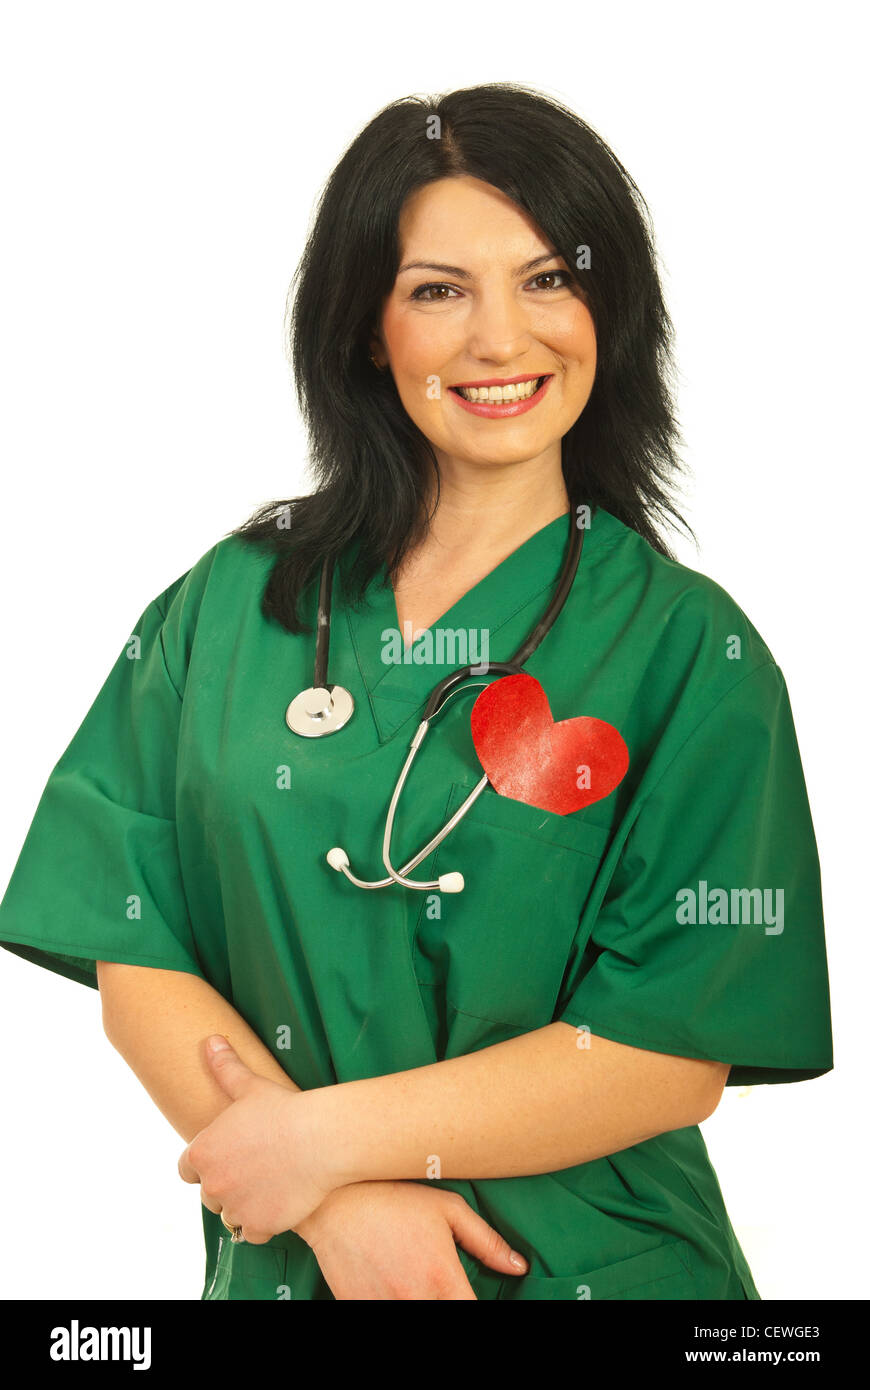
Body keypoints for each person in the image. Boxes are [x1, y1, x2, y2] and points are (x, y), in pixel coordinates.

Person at [0, 83, 833, 1301]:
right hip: (297, 1261)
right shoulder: (227, 607)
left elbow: (671, 1051)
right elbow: (134, 942)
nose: (502, 339)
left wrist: (323, 1144)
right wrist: (339, 1206)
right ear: (363, 329)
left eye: (549, 279)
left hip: (595, 1269)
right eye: (439, 290)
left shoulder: (689, 653)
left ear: (613, 310)